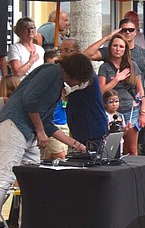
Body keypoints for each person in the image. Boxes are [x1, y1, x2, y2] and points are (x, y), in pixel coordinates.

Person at [0, 53, 93, 197]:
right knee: (5, 177)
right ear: (75, 73)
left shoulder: (58, 84)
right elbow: (29, 99)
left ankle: (29, 212)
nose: (78, 85)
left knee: (33, 178)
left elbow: (48, 124)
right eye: (80, 81)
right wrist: (40, 130)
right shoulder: (52, 71)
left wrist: (76, 145)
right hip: (16, 125)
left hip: (29, 133)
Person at [97, 34, 145, 156]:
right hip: (110, 112)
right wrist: (116, 79)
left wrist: (143, 112)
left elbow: (140, 91)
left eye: (121, 46)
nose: (118, 49)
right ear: (110, 48)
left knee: (132, 149)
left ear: (125, 49)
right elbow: (100, 91)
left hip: (130, 110)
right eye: (115, 46)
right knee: (111, 148)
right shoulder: (104, 67)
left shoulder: (132, 65)